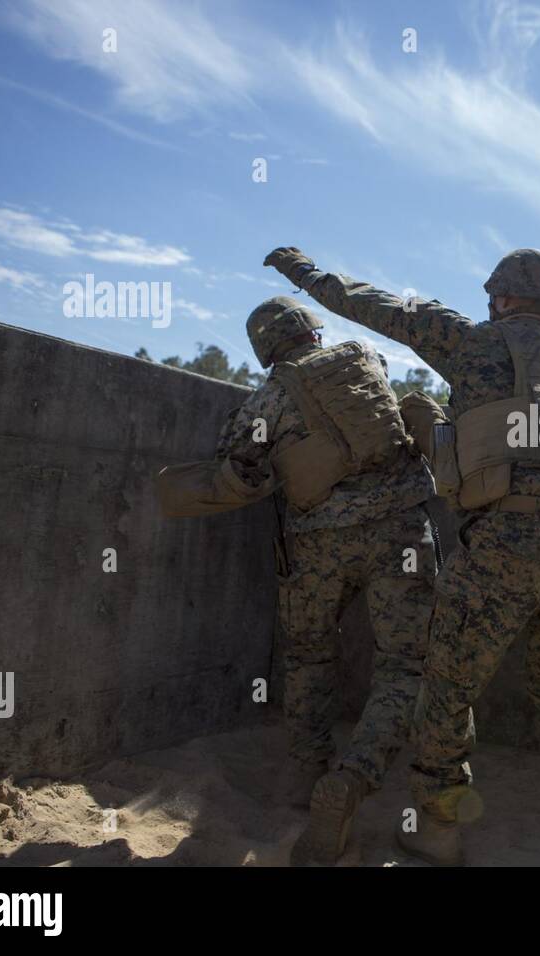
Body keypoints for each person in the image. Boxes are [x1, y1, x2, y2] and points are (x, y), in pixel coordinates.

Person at [263, 247, 540, 866]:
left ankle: (437, 825)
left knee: (446, 686)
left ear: (504, 298)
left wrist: (305, 273)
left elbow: (372, 305)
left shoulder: (471, 341)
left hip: (506, 542)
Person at [155, 295, 437, 865]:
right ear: (313, 331)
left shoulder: (267, 396)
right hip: (402, 534)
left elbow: (236, 460)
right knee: (407, 666)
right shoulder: (366, 358)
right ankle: (354, 779)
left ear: (265, 349)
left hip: (318, 543)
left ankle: (305, 773)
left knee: (309, 656)